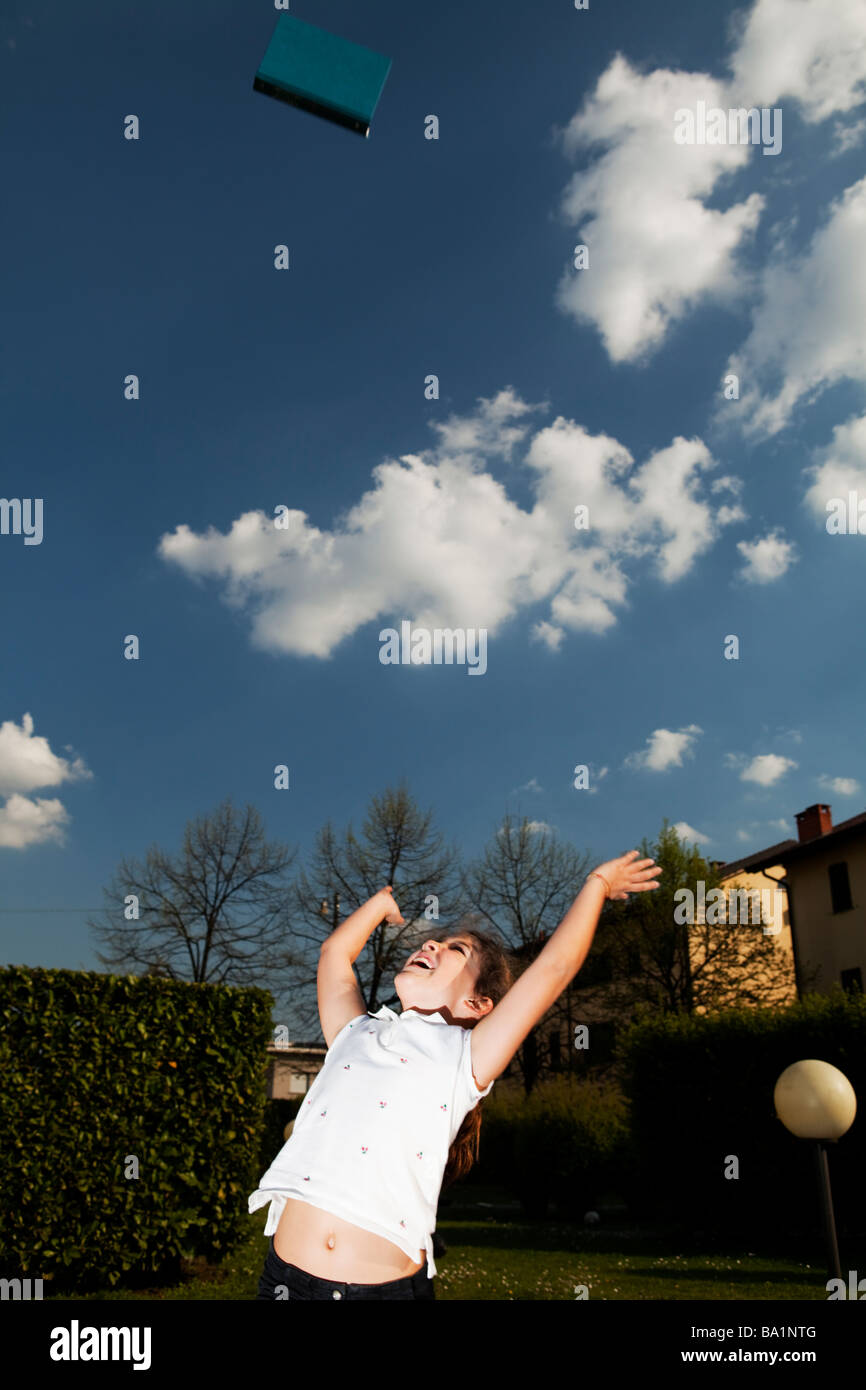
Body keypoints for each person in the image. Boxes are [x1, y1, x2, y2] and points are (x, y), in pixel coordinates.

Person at [250, 849, 661, 1300]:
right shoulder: (355, 1032)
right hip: (285, 1282)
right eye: (434, 942)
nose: (431, 945)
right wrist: (380, 905)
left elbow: (554, 967)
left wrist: (597, 885)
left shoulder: (464, 1058)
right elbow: (334, 954)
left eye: (456, 950)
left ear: (478, 1004)